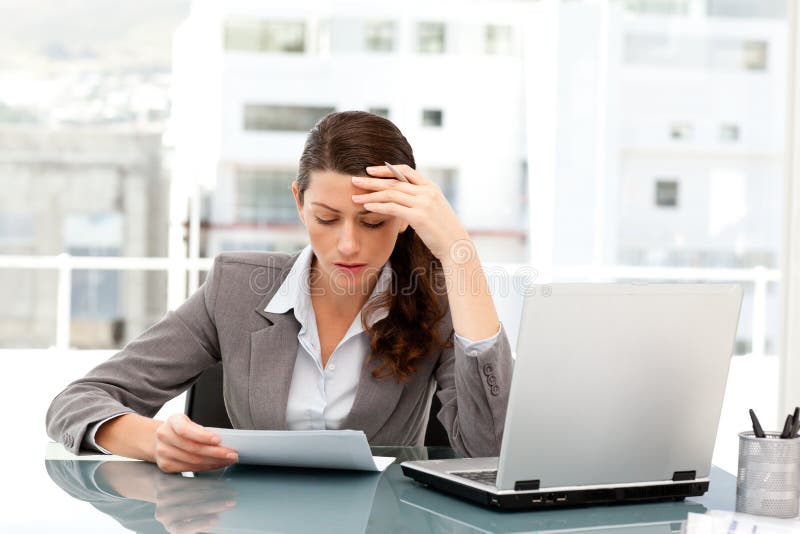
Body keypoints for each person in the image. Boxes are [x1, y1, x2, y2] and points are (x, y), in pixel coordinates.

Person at [46, 110, 513, 473]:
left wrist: (459, 254)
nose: (348, 244)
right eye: (327, 219)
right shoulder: (235, 289)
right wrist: (153, 440)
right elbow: (76, 403)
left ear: (405, 217)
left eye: (373, 222)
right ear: (298, 202)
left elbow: (488, 450)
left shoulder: (440, 303)